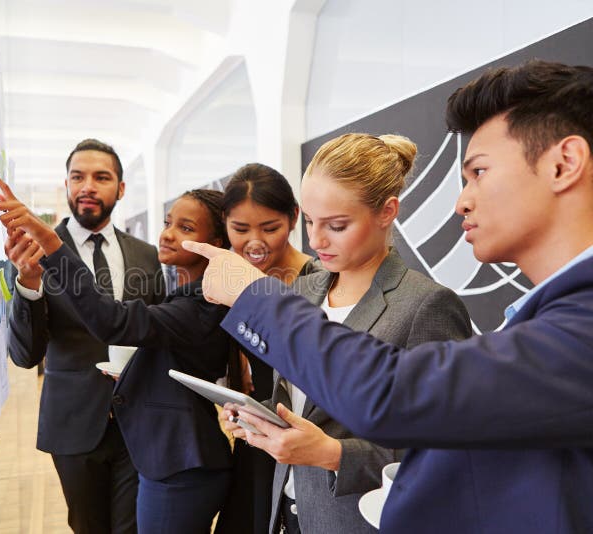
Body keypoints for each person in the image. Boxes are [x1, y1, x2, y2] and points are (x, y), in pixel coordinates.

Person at [183, 59, 593, 533]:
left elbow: (392, 394)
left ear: (564, 163)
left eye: (478, 172)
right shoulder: (546, 317)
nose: (462, 201)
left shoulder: (569, 324)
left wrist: (254, 295)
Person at [220, 135, 472, 534]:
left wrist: (333, 454)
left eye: (337, 225)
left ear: (387, 211)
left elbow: (444, 449)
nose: (316, 240)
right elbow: (302, 405)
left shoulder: (426, 305)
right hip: (287, 512)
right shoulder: (302, 292)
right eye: (309, 221)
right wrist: (260, 416)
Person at [0, 182, 235, 534]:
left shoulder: (201, 302)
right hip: (133, 441)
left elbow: (113, 322)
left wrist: (49, 242)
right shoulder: (189, 294)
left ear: (215, 245)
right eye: (168, 222)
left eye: (185, 228)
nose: (167, 235)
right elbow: (175, 359)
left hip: (177, 458)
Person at [3, 139, 165, 534]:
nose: (88, 186)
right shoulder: (34, 252)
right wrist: (28, 284)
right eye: (78, 177)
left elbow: (159, 335)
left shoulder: (146, 255)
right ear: (67, 185)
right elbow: (25, 355)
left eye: (101, 177)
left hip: (139, 420)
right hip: (74, 422)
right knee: (89, 527)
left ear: (121, 189)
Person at [214, 163, 320, 534]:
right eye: (240, 230)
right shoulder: (232, 278)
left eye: (270, 228)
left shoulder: (317, 282)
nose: (254, 242)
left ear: (294, 218)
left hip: (302, 445)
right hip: (253, 440)